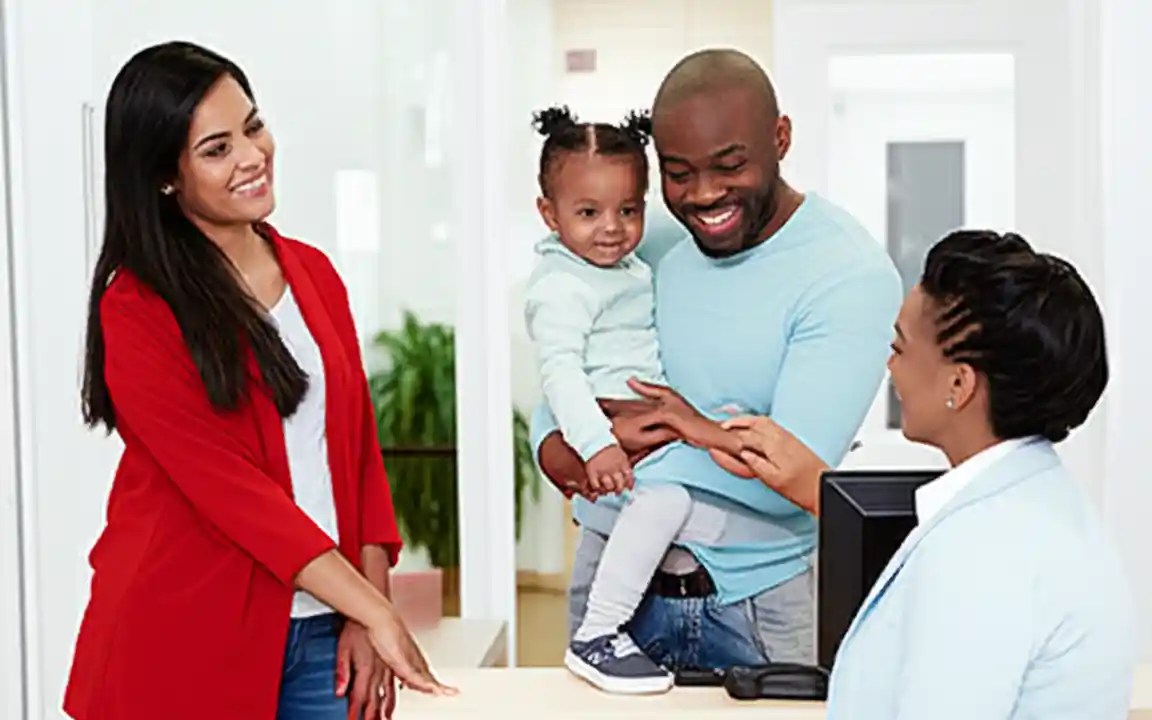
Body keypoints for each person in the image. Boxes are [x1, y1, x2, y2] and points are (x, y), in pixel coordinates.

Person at [65, 41, 455, 720]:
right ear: (164, 175)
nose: (252, 155)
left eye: (253, 125)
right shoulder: (136, 308)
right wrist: (370, 608)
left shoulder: (315, 273)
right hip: (182, 633)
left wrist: (367, 611)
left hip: (324, 632)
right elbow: (236, 495)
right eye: (216, 148)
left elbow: (358, 455)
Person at [532, 48, 902, 670]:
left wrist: (663, 436)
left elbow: (793, 478)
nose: (704, 195)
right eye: (679, 173)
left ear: (781, 138)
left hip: (760, 606)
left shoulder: (849, 275)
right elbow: (557, 386)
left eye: (730, 166)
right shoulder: (641, 238)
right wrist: (570, 450)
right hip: (615, 590)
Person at [725, 231, 1136, 718]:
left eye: (899, 348)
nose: (889, 366)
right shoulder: (1038, 504)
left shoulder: (982, 551)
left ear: (958, 384)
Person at [523, 106, 751, 693]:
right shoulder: (562, 286)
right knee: (668, 502)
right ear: (548, 214)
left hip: (645, 435)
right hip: (609, 443)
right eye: (588, 212)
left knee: (704, 492)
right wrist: (597, 447)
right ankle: (599, 633)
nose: (612, 227)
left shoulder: (624, 268)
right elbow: (561, 374)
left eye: (629, 210)